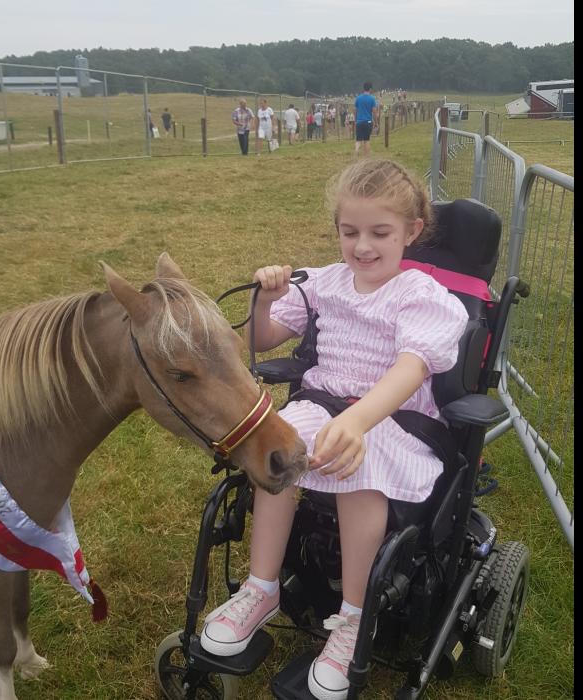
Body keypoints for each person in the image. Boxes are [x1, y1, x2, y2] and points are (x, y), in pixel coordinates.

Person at [198, 159, 468, 700]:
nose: (362, 246)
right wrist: (269, 298)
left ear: (412, 232)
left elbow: (412, 368)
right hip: (324, 409)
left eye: (379, 233)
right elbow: (266, 335)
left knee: (355, 460)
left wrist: (358, 420)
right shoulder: (324, 282)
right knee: (276, 446)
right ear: (337, 230)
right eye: (350, 232)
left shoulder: (422, 295)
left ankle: (352, 619)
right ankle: (261, 587)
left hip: (394, 420)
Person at [354, 82, 379, 157]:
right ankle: (366, 157)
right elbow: (374, 111)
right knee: (366, 140)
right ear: (370, 89)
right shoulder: (372, 98)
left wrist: (356, 120)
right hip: (368, 121)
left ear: (363, 88)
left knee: (358, 140)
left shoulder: (358, 98)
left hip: (359, 122)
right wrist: (376, 122)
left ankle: (356, 152)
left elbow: (355, 110)